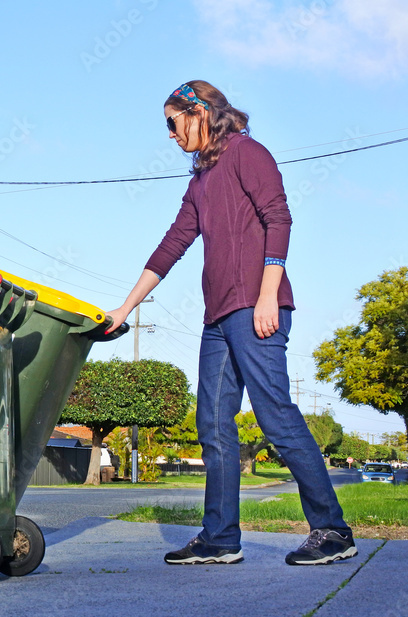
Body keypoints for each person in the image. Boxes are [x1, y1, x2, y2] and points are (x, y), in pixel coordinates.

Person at [106, 81, 357, 566]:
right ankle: (220, 537)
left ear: (198, 112)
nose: (171, 135)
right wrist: (124, 308)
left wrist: (267, 295)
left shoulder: (247, 153)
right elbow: (172, 245)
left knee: (276, 417)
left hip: (256, 307)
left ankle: (332, 530)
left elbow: (278, 218)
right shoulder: (200, 180)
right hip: (218, 317)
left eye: (172, 123)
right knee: (214, 425)